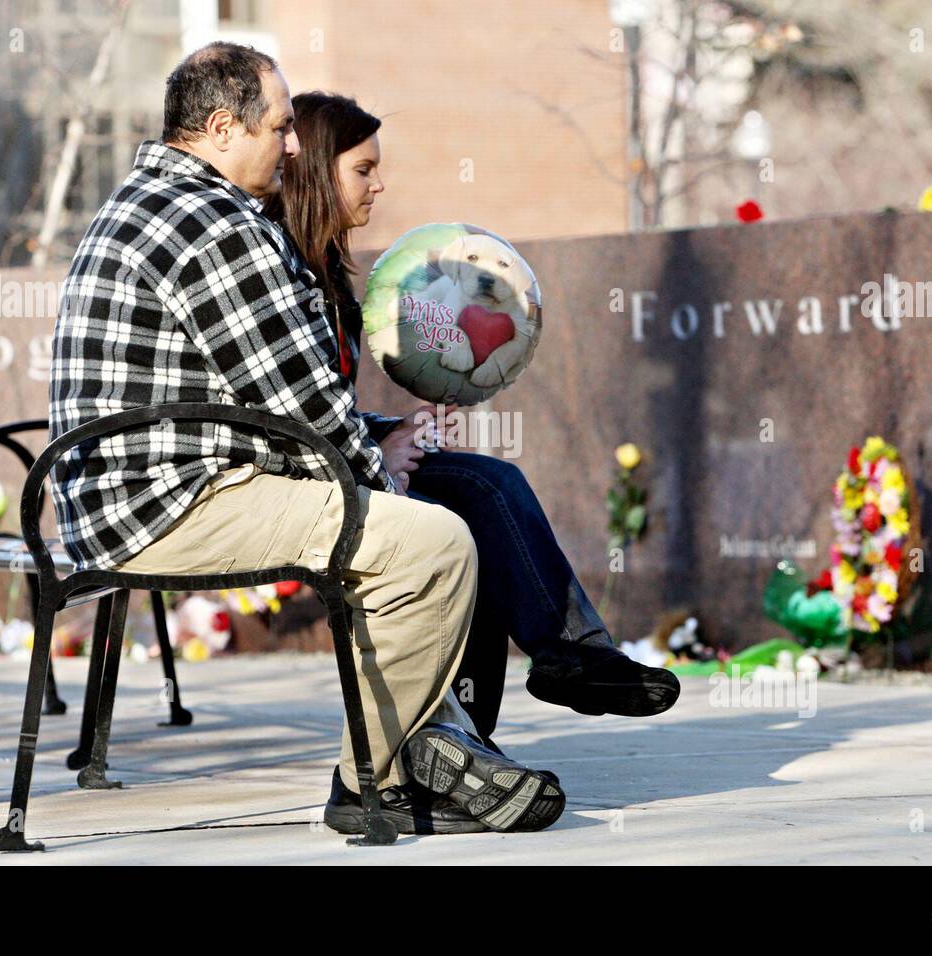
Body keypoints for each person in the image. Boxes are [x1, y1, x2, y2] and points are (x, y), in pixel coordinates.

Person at [48, 42, 564, 836]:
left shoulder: (146, 200)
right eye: (282, 127)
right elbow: (301, 414)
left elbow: (264, 401)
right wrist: (380, 476)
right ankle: (380, 777)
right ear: (222, 127)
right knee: (431, 543)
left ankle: (432, 754)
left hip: (132, 495)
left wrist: (374, 453)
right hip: (171, 505)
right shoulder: (214, 222)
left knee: (434, 515)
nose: (294, 147)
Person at [262, 93, 681, 756]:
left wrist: (387, 428)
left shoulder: (325, 273)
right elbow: (274, 419)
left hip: (330, 459)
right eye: (363, 169)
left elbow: (315, 406)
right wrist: (377, 447)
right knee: (456, 525)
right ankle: (465, 734)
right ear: (316, 171)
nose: (380, 183)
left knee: (490, 483)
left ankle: (566, 657)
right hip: (279, 487)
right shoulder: (273, 266)